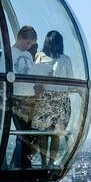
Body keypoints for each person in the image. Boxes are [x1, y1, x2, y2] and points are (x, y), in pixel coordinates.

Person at [32, 30, 73, 168]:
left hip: (44, 100)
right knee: (55, 135)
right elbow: (70, 81)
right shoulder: (65, 60)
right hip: (60, 101)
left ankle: (44, 163)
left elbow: (35, 79)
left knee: (44, 134)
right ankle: (50, 163)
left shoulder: (40, 57)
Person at [8, 25, 38, 168]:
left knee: (28, 134)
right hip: (16, 96)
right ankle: (22, 165)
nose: (28, 47)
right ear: (20, 38)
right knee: (22, 133)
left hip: (29, 96)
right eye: (27, 43)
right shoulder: (8, 53)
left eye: (31, 44)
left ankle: (22, 162)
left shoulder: (28, 55)